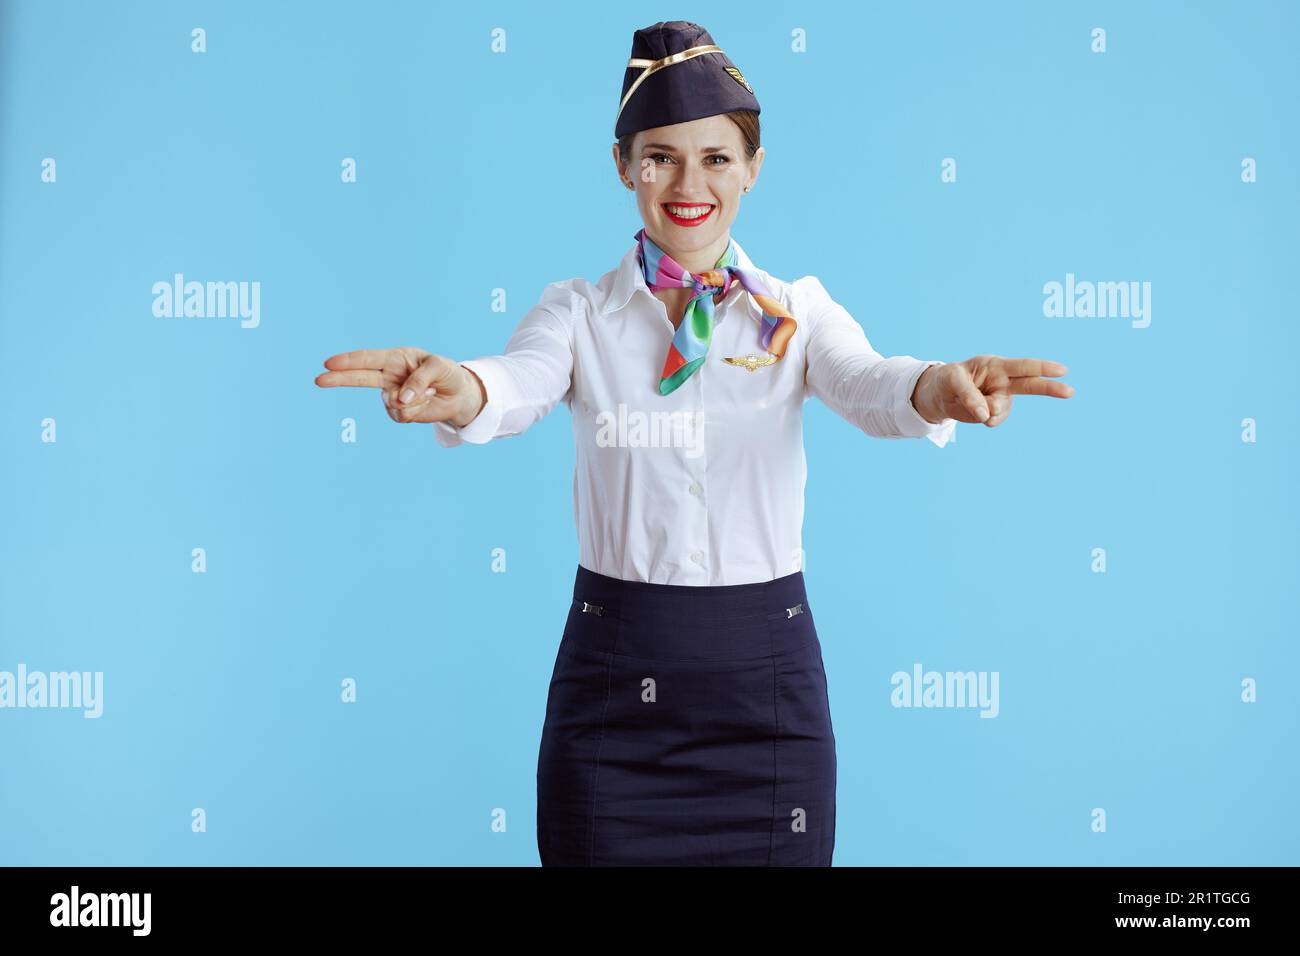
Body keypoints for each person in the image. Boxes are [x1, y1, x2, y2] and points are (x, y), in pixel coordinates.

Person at [314, 20, 1073, 866]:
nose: (688, 183)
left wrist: (937, 386)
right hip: (613, 694)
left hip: (768, 696)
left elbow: (867, 381)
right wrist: (462, 388)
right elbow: (516, 380)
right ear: (622, 165)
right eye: (660, 156)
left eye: (716, 158)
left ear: (753, 169)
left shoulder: (797, 312)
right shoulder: (577, 314)